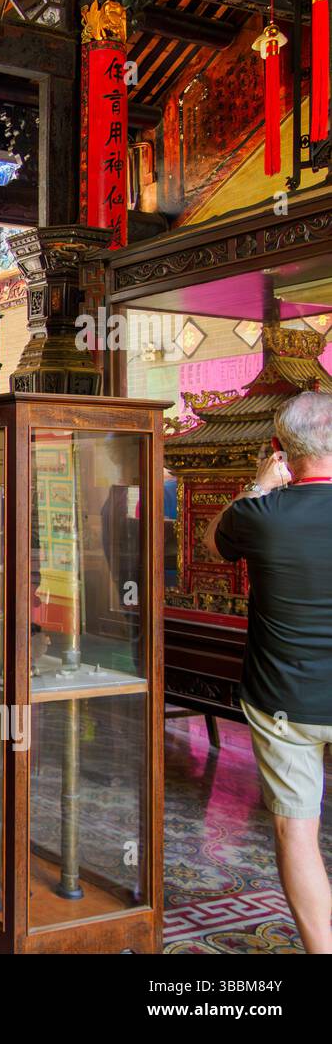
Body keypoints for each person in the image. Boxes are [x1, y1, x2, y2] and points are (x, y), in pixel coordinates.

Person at [206, 391, 332, 953]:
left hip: (284, 699)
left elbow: (212, 542)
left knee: (297, 832)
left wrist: (259, 484)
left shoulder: (258, 515)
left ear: (280, 450)